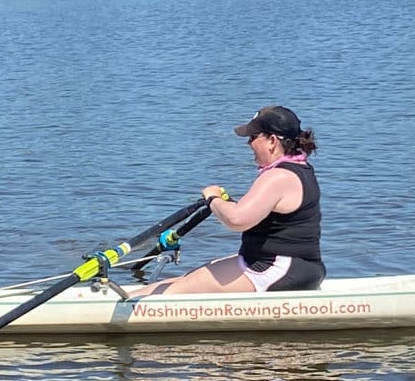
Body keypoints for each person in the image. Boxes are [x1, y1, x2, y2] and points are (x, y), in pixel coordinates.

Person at [134, 105, 323, 296]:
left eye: (253, 137)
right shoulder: (300, 169)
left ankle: (122, 312)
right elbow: (251, 214)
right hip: (289, 267)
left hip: (279, 270)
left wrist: (212, 197)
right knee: (183, 279)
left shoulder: (278, 177)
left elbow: (236, 220)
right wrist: (226, 204)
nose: (248, 143)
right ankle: (130, 299)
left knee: (177, 291)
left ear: (272, 140)